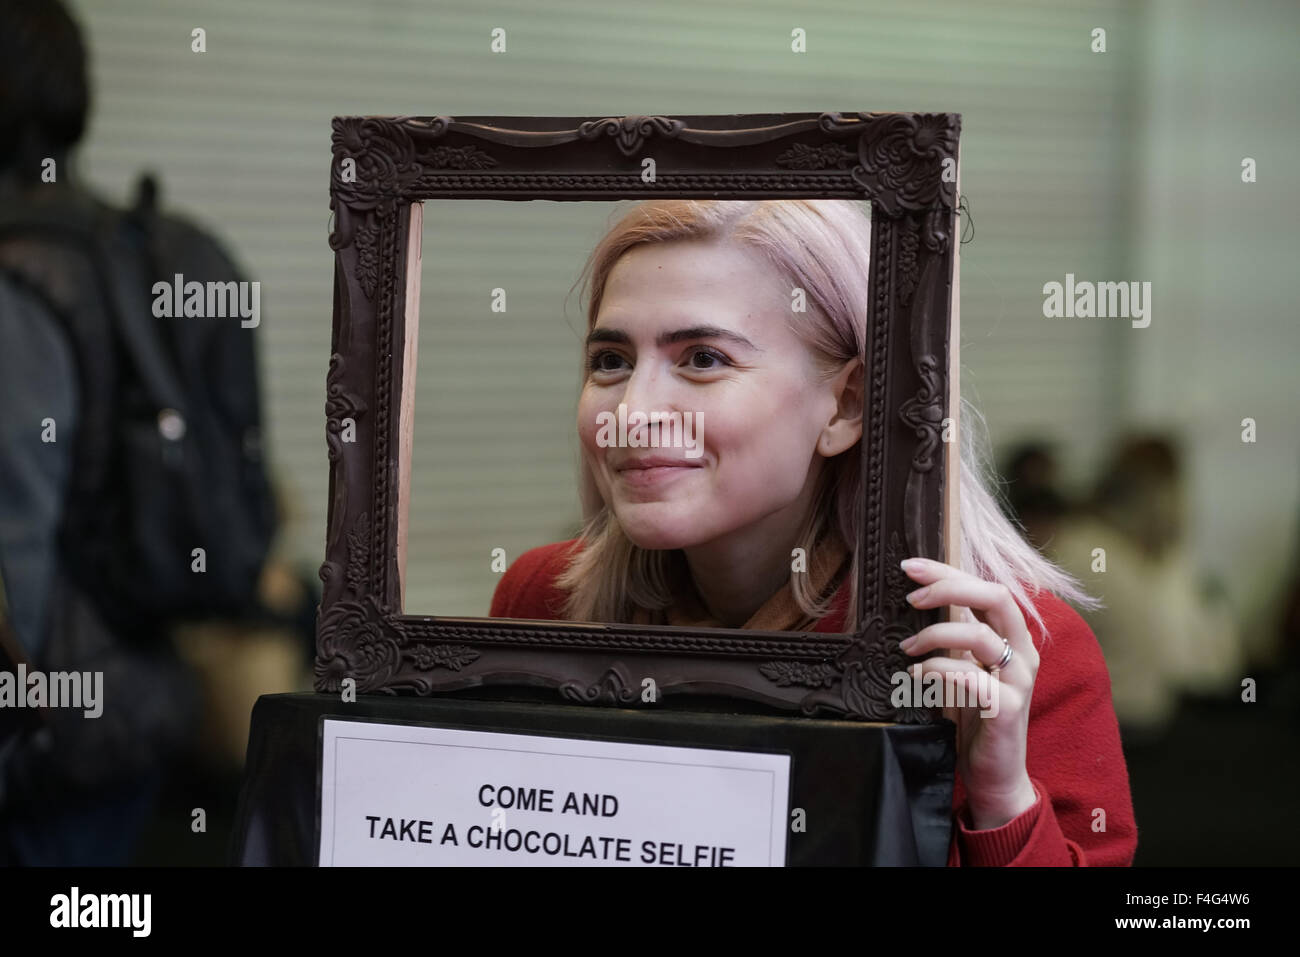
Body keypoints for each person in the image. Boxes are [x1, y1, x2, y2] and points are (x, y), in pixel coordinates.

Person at [490, 199, 1137, 866]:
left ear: (848, 404)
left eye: (703, 357)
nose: (632, 413)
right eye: (611, 361)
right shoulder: (542, 600)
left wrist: (1002, 798)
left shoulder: (1003, 650)